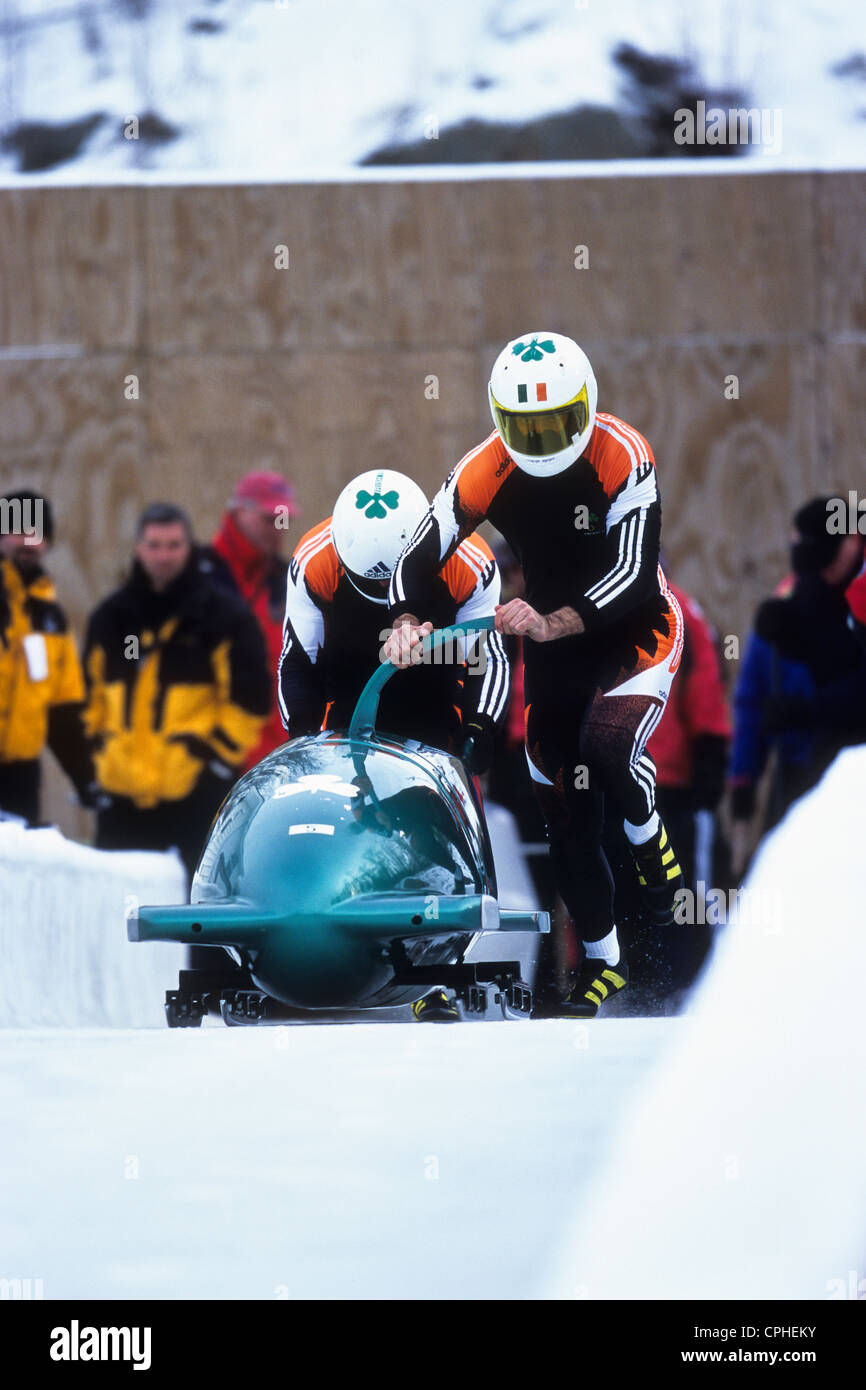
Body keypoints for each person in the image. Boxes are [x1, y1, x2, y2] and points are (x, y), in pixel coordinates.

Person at [386, 332, 684, 1019]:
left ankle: (646, 832)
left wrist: (556, 621)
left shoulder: (623, 452)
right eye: (527, 428)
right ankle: (604, 961)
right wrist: (404, 618)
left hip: (635, 630)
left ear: (586, 407)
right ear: (500, 420)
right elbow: (419, 552)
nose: (545, 442)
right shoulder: (484, 466)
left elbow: (636, 574)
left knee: (608, 746)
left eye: (558, 422)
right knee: (560, 801)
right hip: (551, 645)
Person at [278, 468, 509, 1021]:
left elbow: (488, 659)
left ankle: (438, 962)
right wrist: (308, 745)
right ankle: (321, 932)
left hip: (433, 713)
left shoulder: (468, 563)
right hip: (346, 710)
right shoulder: (314, 562)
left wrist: (478, 734)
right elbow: (296, 660)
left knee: (427, 828)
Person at [83, 503, 271, 879]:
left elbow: (250, 700)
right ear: (138, 548)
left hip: (193, 798)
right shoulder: (112, 617)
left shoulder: (224, 618)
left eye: (173, 545)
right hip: (120, 798)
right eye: (154, 545)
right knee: (119, 914)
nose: (164, 555)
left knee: (196, 915)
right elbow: (90, 699)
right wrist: (98, 759)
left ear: (189, 547)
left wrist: (214, 762)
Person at [729, 495, 866, 871]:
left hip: (854, 770)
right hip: (799, 766)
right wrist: (744, 781)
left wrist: (809, 709)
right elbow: (754, 694)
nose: (813, 569)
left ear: (853, 540)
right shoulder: (792, 596)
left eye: (819, 555)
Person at [0, 490, 92, 824]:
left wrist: (85, 778)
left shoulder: (50, 617)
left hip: (20, 777)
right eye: (18, 529)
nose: (28, 541)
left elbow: (62, 708)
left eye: (37, 532)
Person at [199, 470, 297, 769]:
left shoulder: (287, 579)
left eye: (283, 519)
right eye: (269, 519)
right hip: (209, 758)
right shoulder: (199, 577)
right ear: (240, 512)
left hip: (275, 753)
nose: (278, 528)